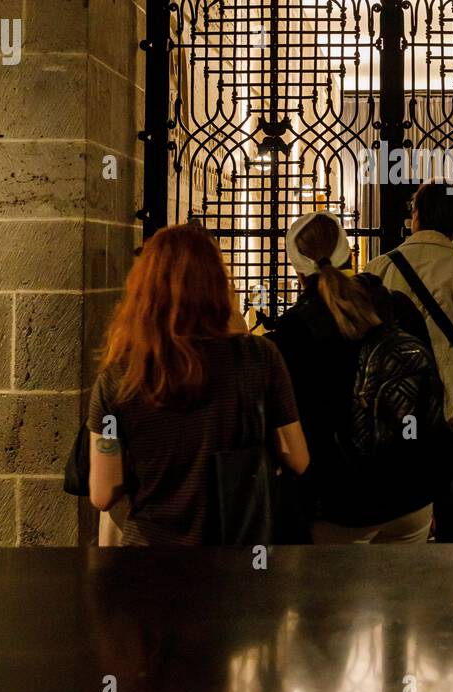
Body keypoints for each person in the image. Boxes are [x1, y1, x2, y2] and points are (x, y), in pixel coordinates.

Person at [88, 223, 309, 545]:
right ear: (218, 283)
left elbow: (103, 493)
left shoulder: (119, 377)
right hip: (236, 553)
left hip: (148, 556)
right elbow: (298, 459)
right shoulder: (259, 357)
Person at [272, 210, 447, 544]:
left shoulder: (293, 331)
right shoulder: (397, 308)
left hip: (339, 506)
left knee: (333, 597)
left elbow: (295, 423)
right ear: (351, 254)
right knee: (411, 595)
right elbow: (429, 397)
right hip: (411, 495)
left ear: (297, 271)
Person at [366, 181, 453, 538]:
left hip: (392, 411)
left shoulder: (378, 269)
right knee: (451, 520)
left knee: (396, 517)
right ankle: (447, 586)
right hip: (448, 416)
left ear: (416, 216)